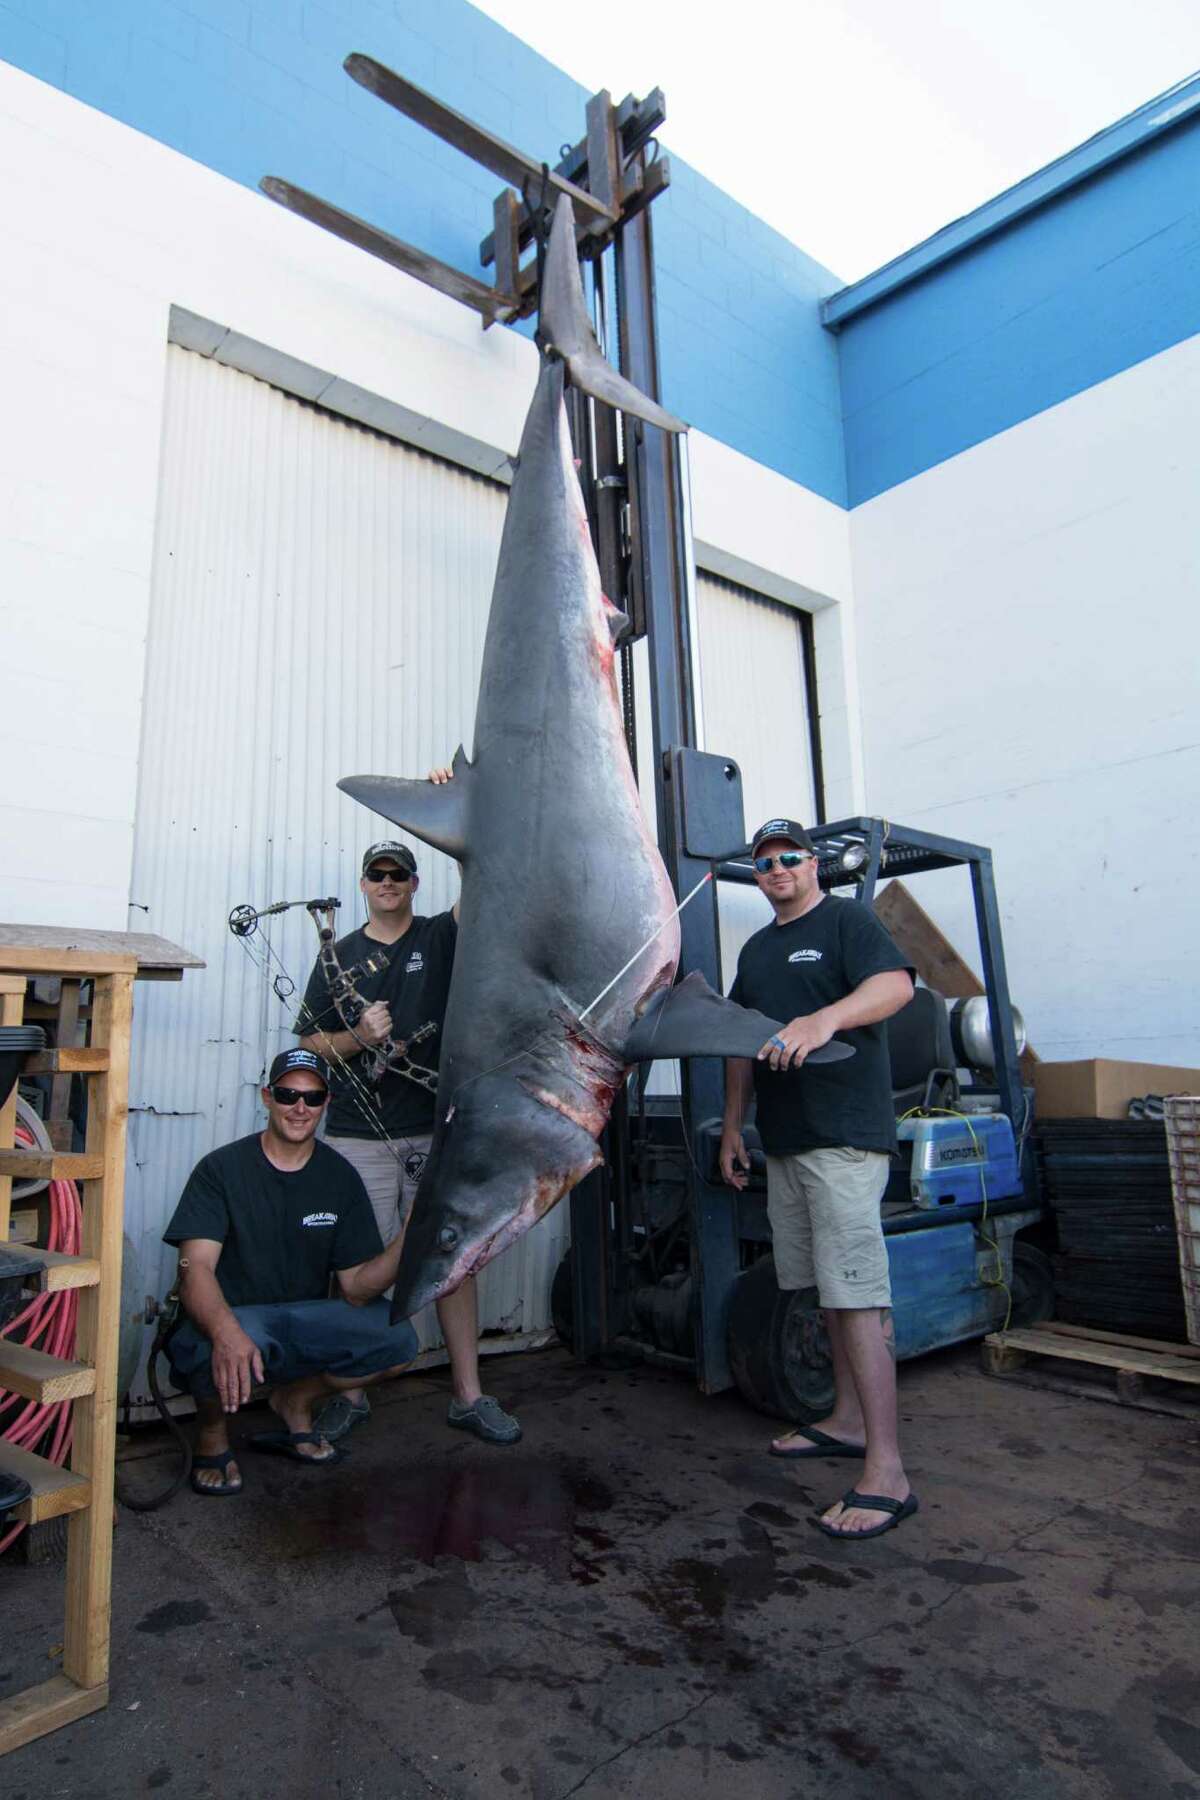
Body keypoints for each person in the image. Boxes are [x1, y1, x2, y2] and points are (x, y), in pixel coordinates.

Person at [719, 817, 917, 1541]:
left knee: (858, 1295)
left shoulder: (847, 922)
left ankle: (888, 1472)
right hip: (786, 1143)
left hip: (844, 1139)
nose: (779, 870)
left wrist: (823, 1019)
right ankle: (845, 1419)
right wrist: (737, 1127)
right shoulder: (757, 950)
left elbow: (896, 987)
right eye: (766, 862)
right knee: (821, 1290)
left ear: (813, 866)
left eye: (791, 858)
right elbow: (742, 1042)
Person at [296, 821, 521, 1447]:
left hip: (435, 1126)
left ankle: (469, 1396)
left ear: (415, 883)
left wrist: (466, 821)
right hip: (355, 1132)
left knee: (451, 1257)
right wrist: (359, 1039)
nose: (388, 883)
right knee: (357, 1265)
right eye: (378, 875)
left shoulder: (440, 935)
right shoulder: (336, 954)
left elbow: (482, 888)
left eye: (399, 874)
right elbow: (310, 1041)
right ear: (363, 885)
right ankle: (352, 1393)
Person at [163, 1049, 419, 1496]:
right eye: (287, 1094)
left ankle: (294, 1401)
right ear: (267, 1098)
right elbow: (194, 1269)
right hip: (238, 1318)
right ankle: (211, 1433)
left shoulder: (340, 1177)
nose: (300, 1108)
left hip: (302, 1319)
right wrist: (226, 1332)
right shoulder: (221, 1169)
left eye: (312, 1097)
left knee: (397, 1340)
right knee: (205, 1341)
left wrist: (412, 1236)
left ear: (325, 1103)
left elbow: (357, 1289)